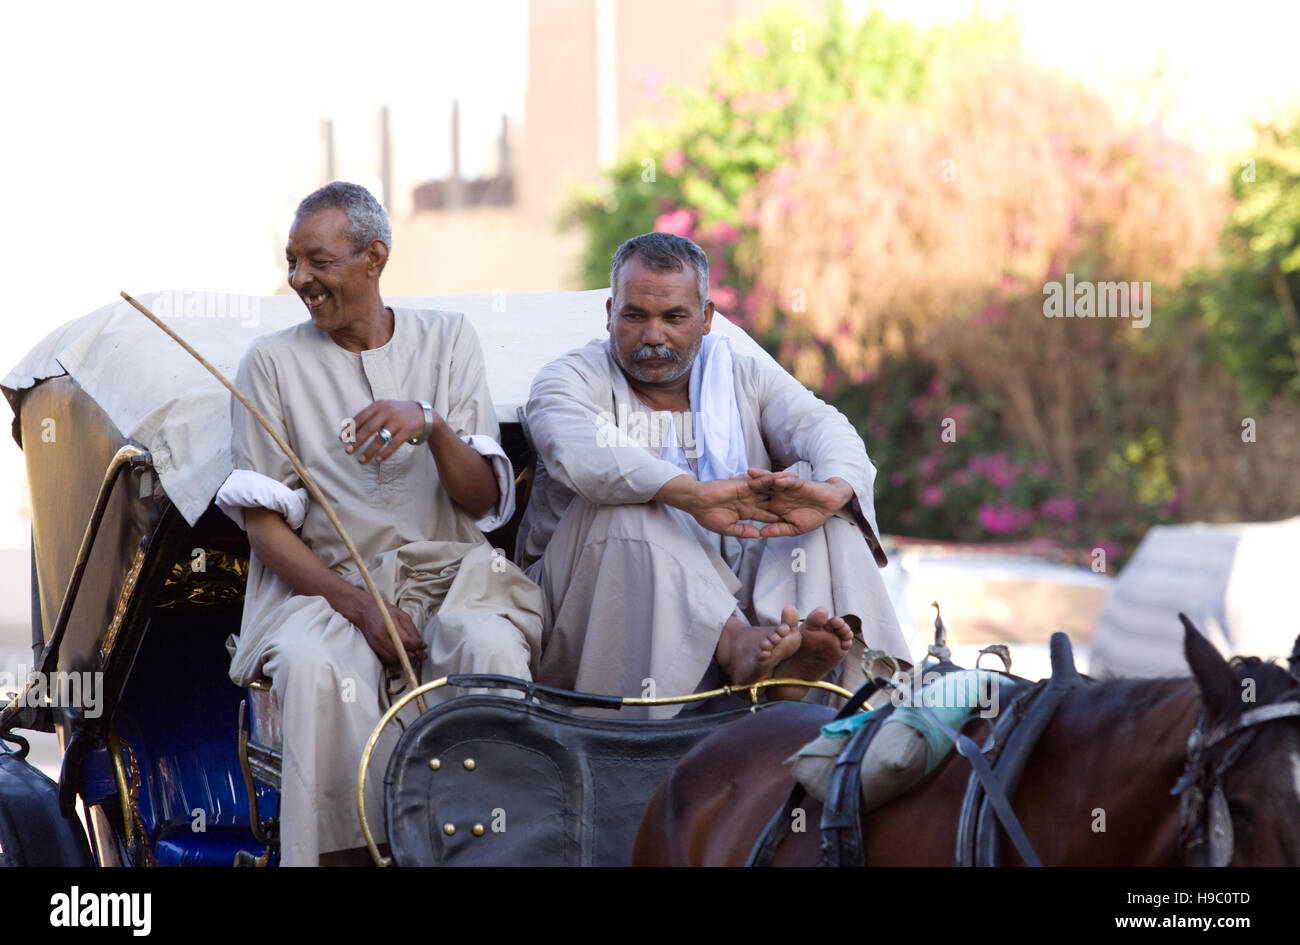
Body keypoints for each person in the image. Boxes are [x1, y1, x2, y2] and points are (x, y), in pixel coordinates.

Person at [220, 182, 544, 865]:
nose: (300, 279)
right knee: (315, 668)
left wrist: (428, 423)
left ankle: (495, 851)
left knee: (487, 649)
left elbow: (486, 497)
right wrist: (362, 607)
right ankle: (350, 856)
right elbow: (264, 527)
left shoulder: (450, 338)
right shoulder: (270, 364)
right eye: (292, 261)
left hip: (455, 578)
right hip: (326, 592)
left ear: (375, 258)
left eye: (317, 261)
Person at [516, 232, 910, 716]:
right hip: (590, 606)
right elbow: (581, 452)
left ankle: (833, 685)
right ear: (609, 312)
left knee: (817, 497)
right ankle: (736, 644)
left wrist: (831, 492)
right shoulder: (568, 379)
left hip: (743, 596)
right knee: (631, 507)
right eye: (635, 316)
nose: (653, 335)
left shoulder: (744, 375)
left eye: (674, 317)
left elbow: (826, 428)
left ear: (706, 318)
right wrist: (694, 496)